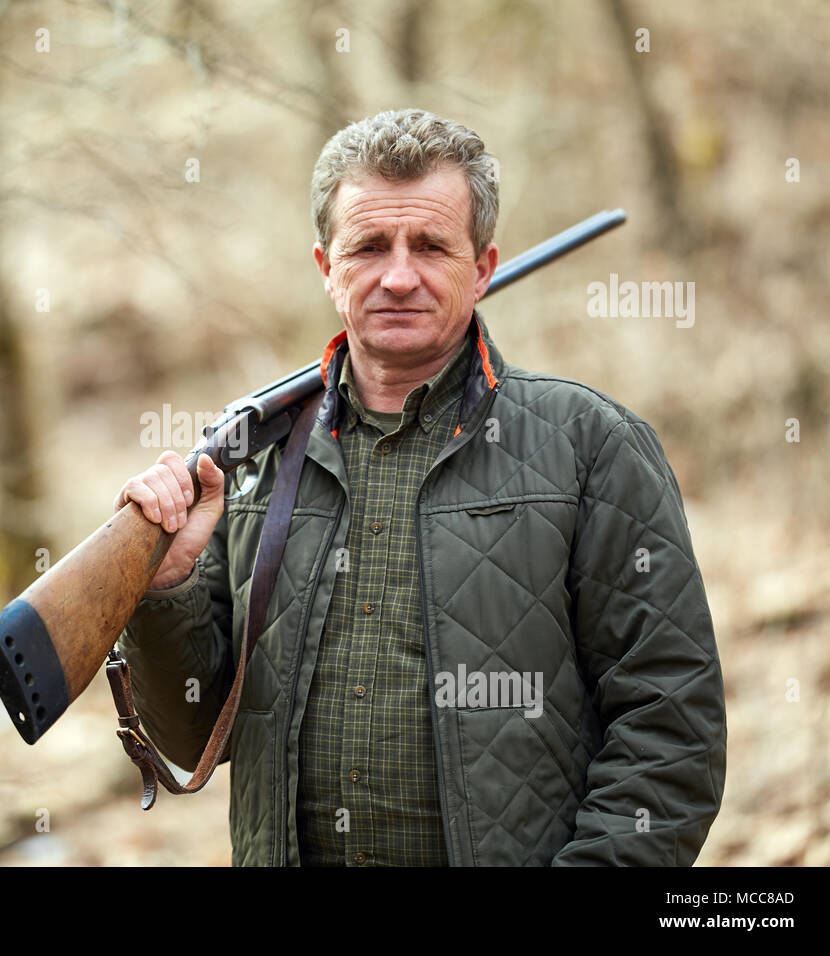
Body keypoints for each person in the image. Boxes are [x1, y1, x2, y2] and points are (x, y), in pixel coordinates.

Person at [113, 108, 726, 866]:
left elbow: (671, 729)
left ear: (484, 267)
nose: (398, 275)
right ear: (326, 269)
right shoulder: (248, 467)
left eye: (431, 245)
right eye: (369, 245)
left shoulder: (591, 445)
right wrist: (165, 588)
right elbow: (189, 738)